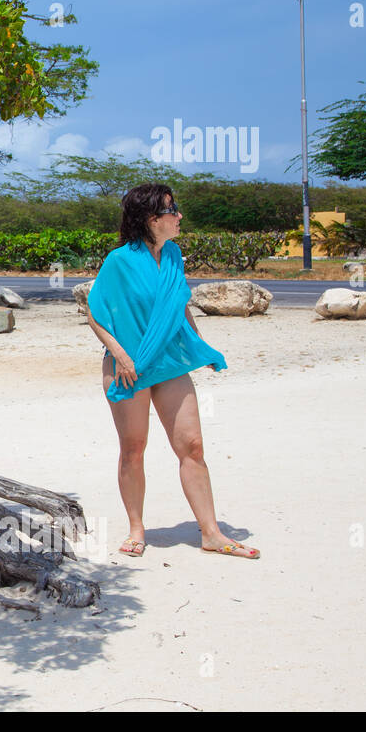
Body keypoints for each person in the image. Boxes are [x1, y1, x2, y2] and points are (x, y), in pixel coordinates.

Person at [84, 184, 259, 560]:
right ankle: (136, 529)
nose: (179, 216)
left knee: (192, 446)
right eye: (172, 210)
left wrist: (200, 346)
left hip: (169, 362)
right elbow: (95, 313)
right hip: (128, 367)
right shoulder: (119, 260)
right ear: (151, 220)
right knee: (134, 448)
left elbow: (177, 306)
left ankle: (211, 533)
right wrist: (120, 356)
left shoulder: (174, 255)